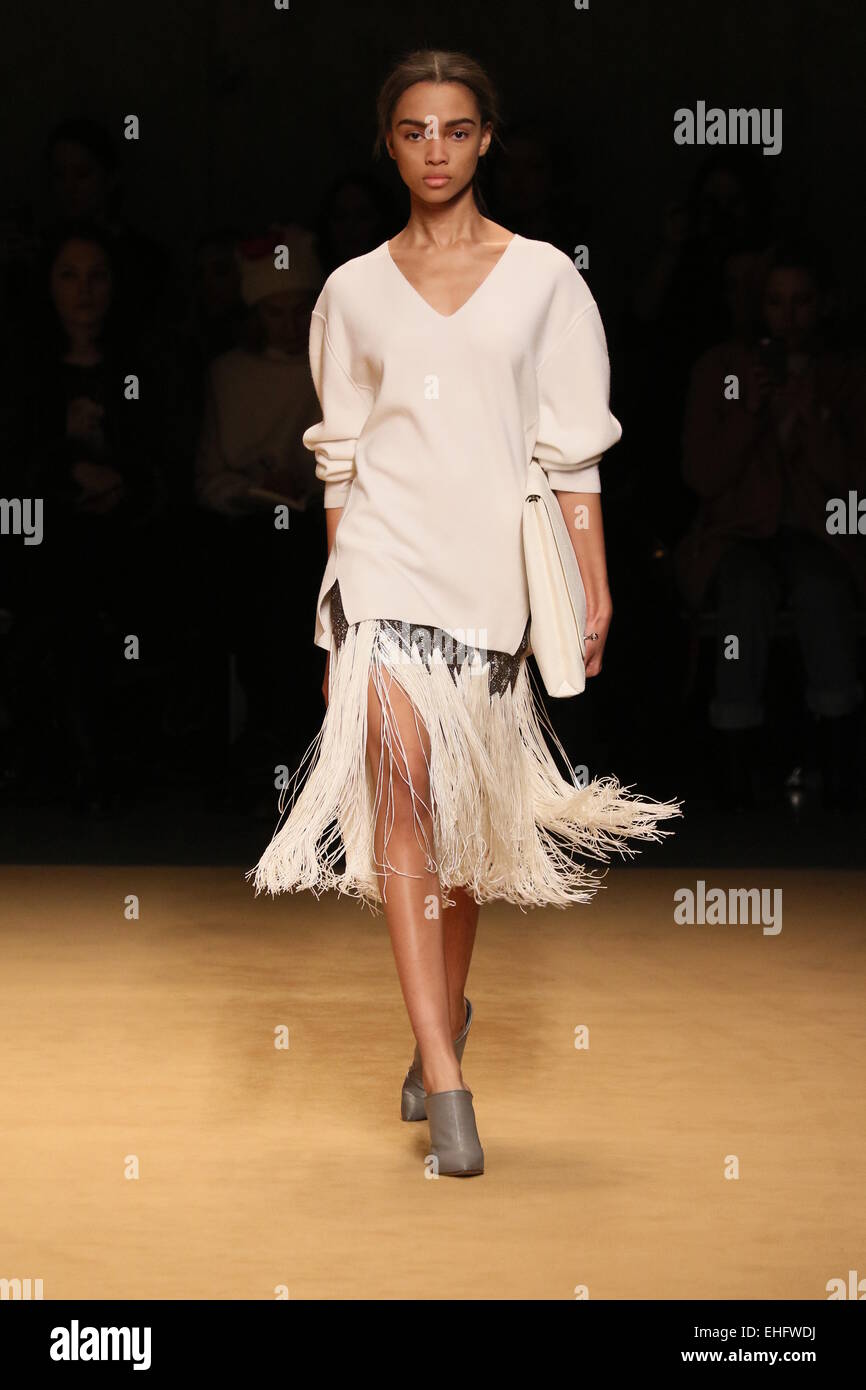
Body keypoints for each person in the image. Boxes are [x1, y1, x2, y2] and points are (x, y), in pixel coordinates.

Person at [247, 49, 682, 1177]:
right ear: (387, 144)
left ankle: (439, 1008)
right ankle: (445, 1080)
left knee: (464, 831)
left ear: (486, 138)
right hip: (384, 566)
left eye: (452, 129)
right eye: (410, 131)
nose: (432, 149)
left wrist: (591, 580)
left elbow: (570, 448)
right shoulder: (349, 290)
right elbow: (340, 459)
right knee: (399, 794)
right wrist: (334, 611)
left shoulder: (543, 278)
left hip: (489, 568)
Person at [675, 238, 866, 810]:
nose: (789, 317)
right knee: (744, 596)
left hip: (821, 535)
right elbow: (701, 476)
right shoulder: (722, 370)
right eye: (776, 302)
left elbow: (856, 482)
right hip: (737, 540)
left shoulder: (844, 377)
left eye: (802, 301)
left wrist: (812, 423)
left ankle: (838, 759)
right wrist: (750, 415)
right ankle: (736, 768)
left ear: (823, 305)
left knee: (821, 593)